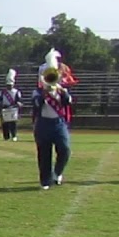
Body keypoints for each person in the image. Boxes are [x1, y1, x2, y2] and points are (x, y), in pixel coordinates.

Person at [32, 48, 73, 190]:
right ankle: (45, 180)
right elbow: (37, 105)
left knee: (65, 149)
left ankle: (58, 173)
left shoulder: (62, 90)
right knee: (44, 154)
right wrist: (45, 92)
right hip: (43, 124)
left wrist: (61, 91)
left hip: (58, 123)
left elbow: (68, 102)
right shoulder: (37, 92)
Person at [0, 69, 23, 142]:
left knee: (13, 123)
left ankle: (14, 135)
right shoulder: (2, 92)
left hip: (13, 108)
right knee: (5, 123)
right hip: (5, 108)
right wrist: (0, 104)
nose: (9, 87)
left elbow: (19, 100)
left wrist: (18, 104)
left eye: (10, 85)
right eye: (8, 85)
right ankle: (6, 136)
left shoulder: (16, 92)